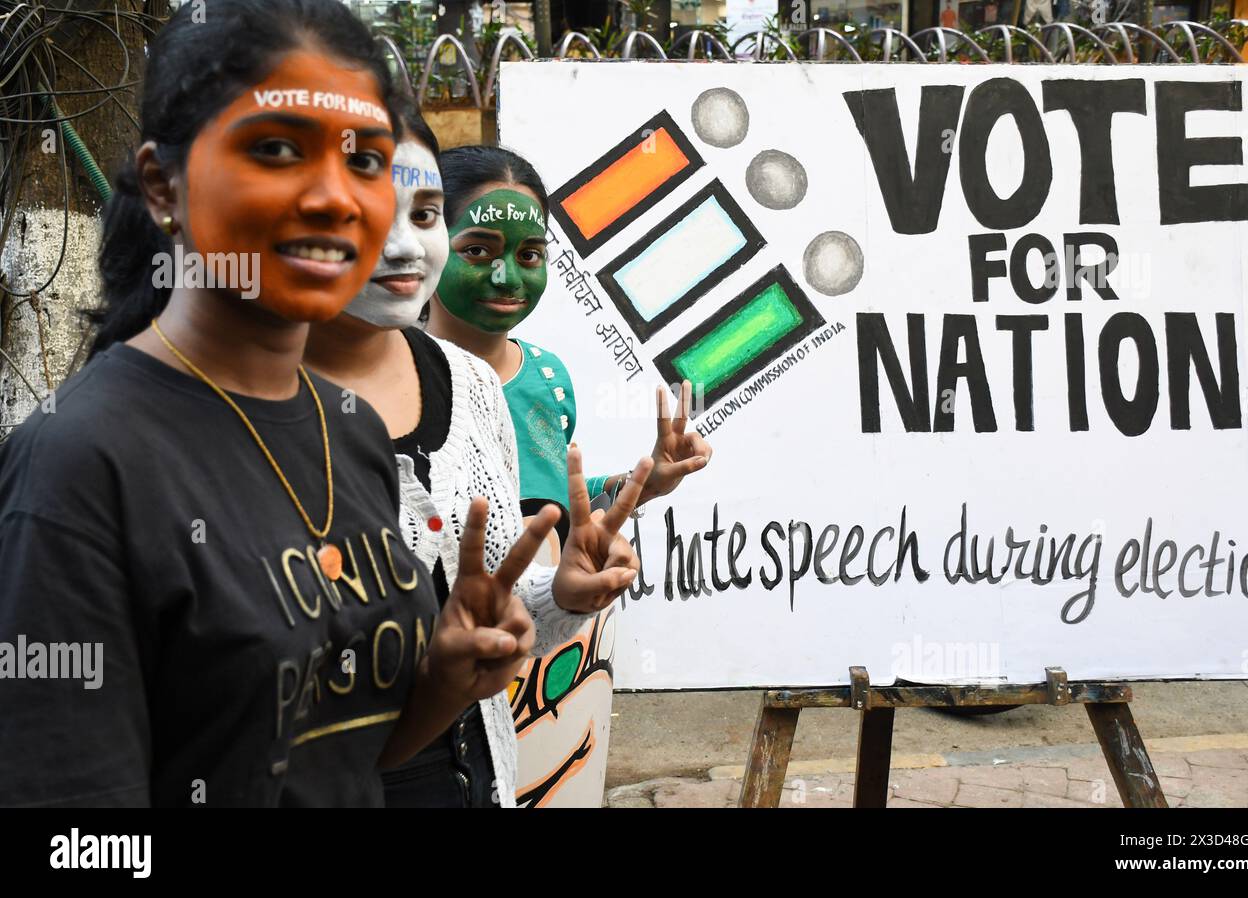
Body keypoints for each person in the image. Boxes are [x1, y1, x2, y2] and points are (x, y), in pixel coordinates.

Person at [0, 0, 540, 807]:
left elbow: (339, 755)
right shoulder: (82, 462)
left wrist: (448, 677)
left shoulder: (350, 432)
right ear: (162, 185)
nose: (333, 197)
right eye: (278, 150)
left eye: (365, 161)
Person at [303, 108, 649, 807]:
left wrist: (561, 596)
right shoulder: (234, 412)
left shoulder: (475, 389)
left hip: (478, 776)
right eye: (362, 210)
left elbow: (487, 604)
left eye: (421, 213)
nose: (399, 242)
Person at [427, 145, 714, 806]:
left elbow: (563, 502)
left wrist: (645, 484)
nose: (507, 276)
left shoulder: (548, 377)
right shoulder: (396, 379)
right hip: (455, 668)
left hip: (563, 648)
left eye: (530, 256)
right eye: (477, 250)